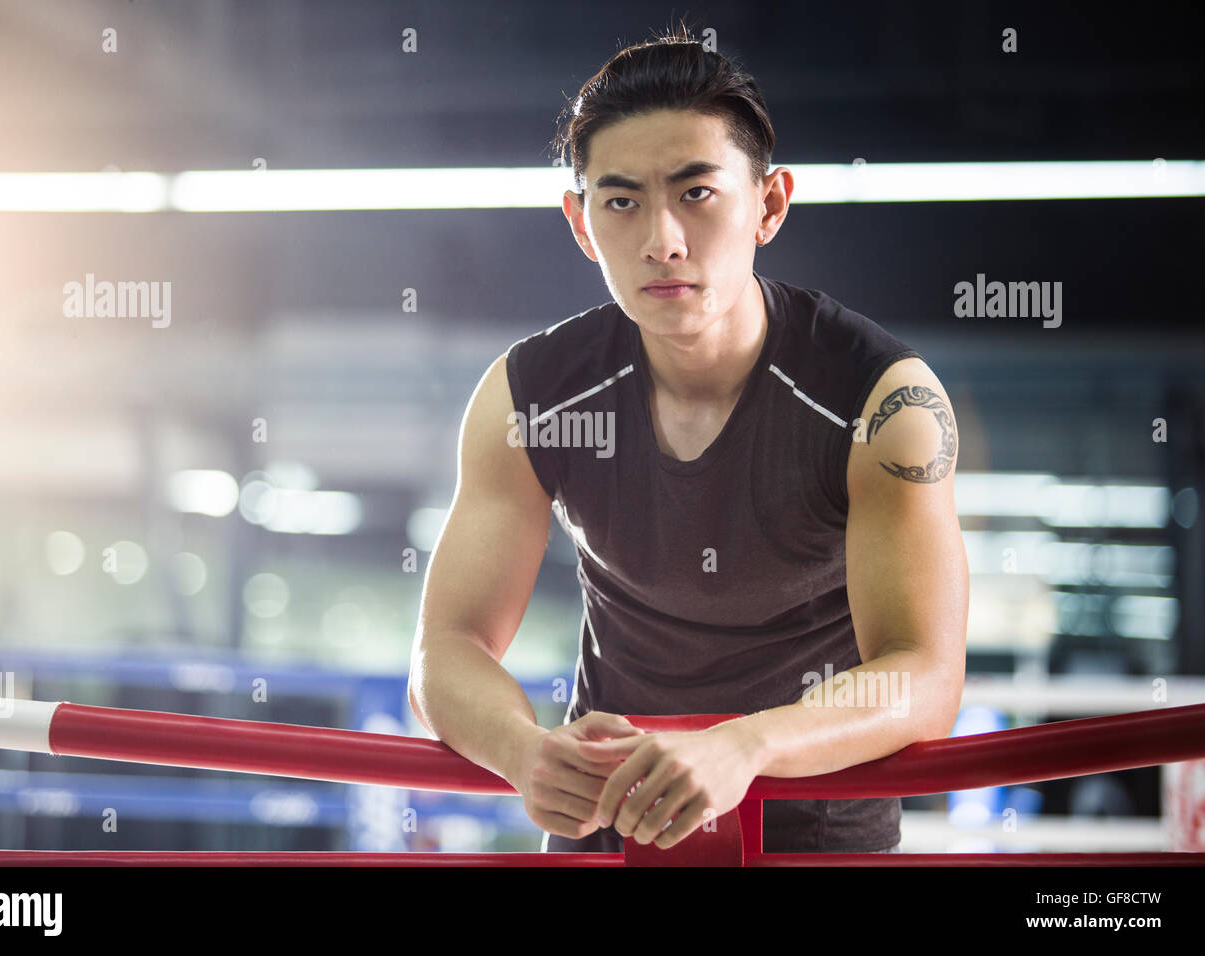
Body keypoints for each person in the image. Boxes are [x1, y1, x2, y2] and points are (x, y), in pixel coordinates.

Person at [407, 28, 968, 855]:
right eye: (622, 200)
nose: (660, 240)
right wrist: (524, 753)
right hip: (610, 824)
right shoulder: (531, 395)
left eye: (696, 194)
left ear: (769, 204)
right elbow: (445, 648)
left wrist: (746, 745)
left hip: (812, 831)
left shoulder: (882, 399)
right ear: (581, 222)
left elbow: (923, 673)